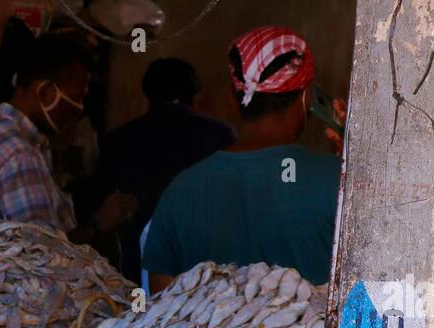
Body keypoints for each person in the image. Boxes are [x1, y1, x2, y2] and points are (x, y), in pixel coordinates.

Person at [143, 27, 343, 292]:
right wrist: (352, 165)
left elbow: (162, 309)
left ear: (232, 98)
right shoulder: (340, 184)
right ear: (306, 97)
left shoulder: (180, 190)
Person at [0, 34, 137, 245]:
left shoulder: (15, 137)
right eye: (77, 98)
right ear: (46, 92)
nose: (80, 109)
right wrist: (99, 224)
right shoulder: (19, 155)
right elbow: (43, 258)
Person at [98, 58, 236, 282]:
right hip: (206, 267)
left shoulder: (118, 140)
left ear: (148, 94)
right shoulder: (221, 136)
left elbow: (104, 202)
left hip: (139, 264)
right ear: (194, 93)